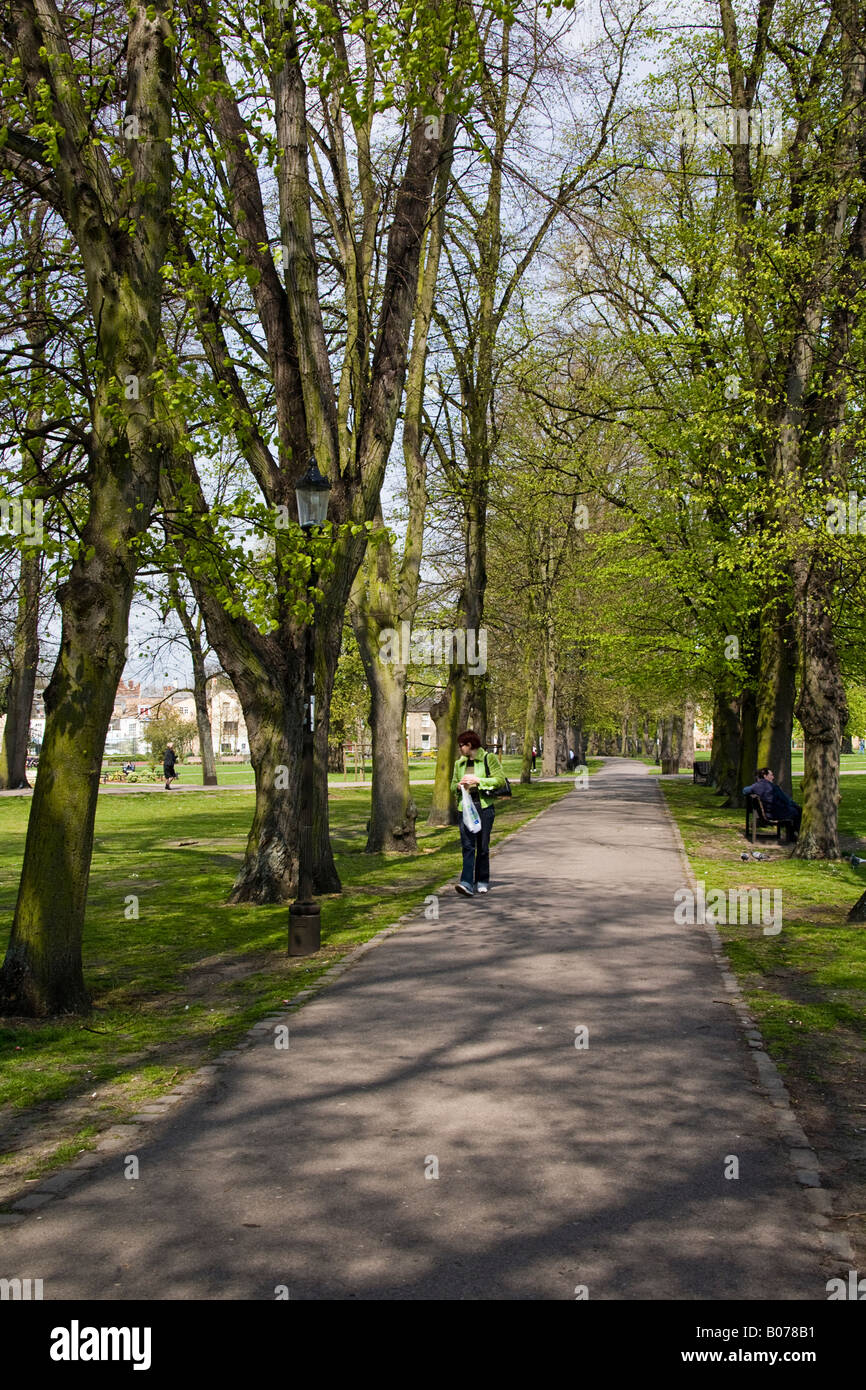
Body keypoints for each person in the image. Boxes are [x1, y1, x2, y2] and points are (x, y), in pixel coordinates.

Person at [451, 730, 507, 897]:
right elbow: (452, 784)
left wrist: (478, 781)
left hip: (483, 806)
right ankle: (466, 882)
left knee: (482, 846)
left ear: (471, 745)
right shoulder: (458, 764)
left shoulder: (488, 759)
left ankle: (482, 880)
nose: (460, 748)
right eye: (460, 745)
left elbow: (500, 780)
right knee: (467, 846)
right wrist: (459, 786)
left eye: (463, 745)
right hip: (465, 808)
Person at [743, 767, 801, 837]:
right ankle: (795, 835)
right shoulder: (774, 787)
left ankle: (793, 834)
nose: (773, 777)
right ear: (765, 776)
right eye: (771, 775)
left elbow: (745, 790)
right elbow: (786, 800)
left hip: (765, 813)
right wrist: (795, 805)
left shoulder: (755, 786)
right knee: (797, 811)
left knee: (795, 809)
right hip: (775, 813)